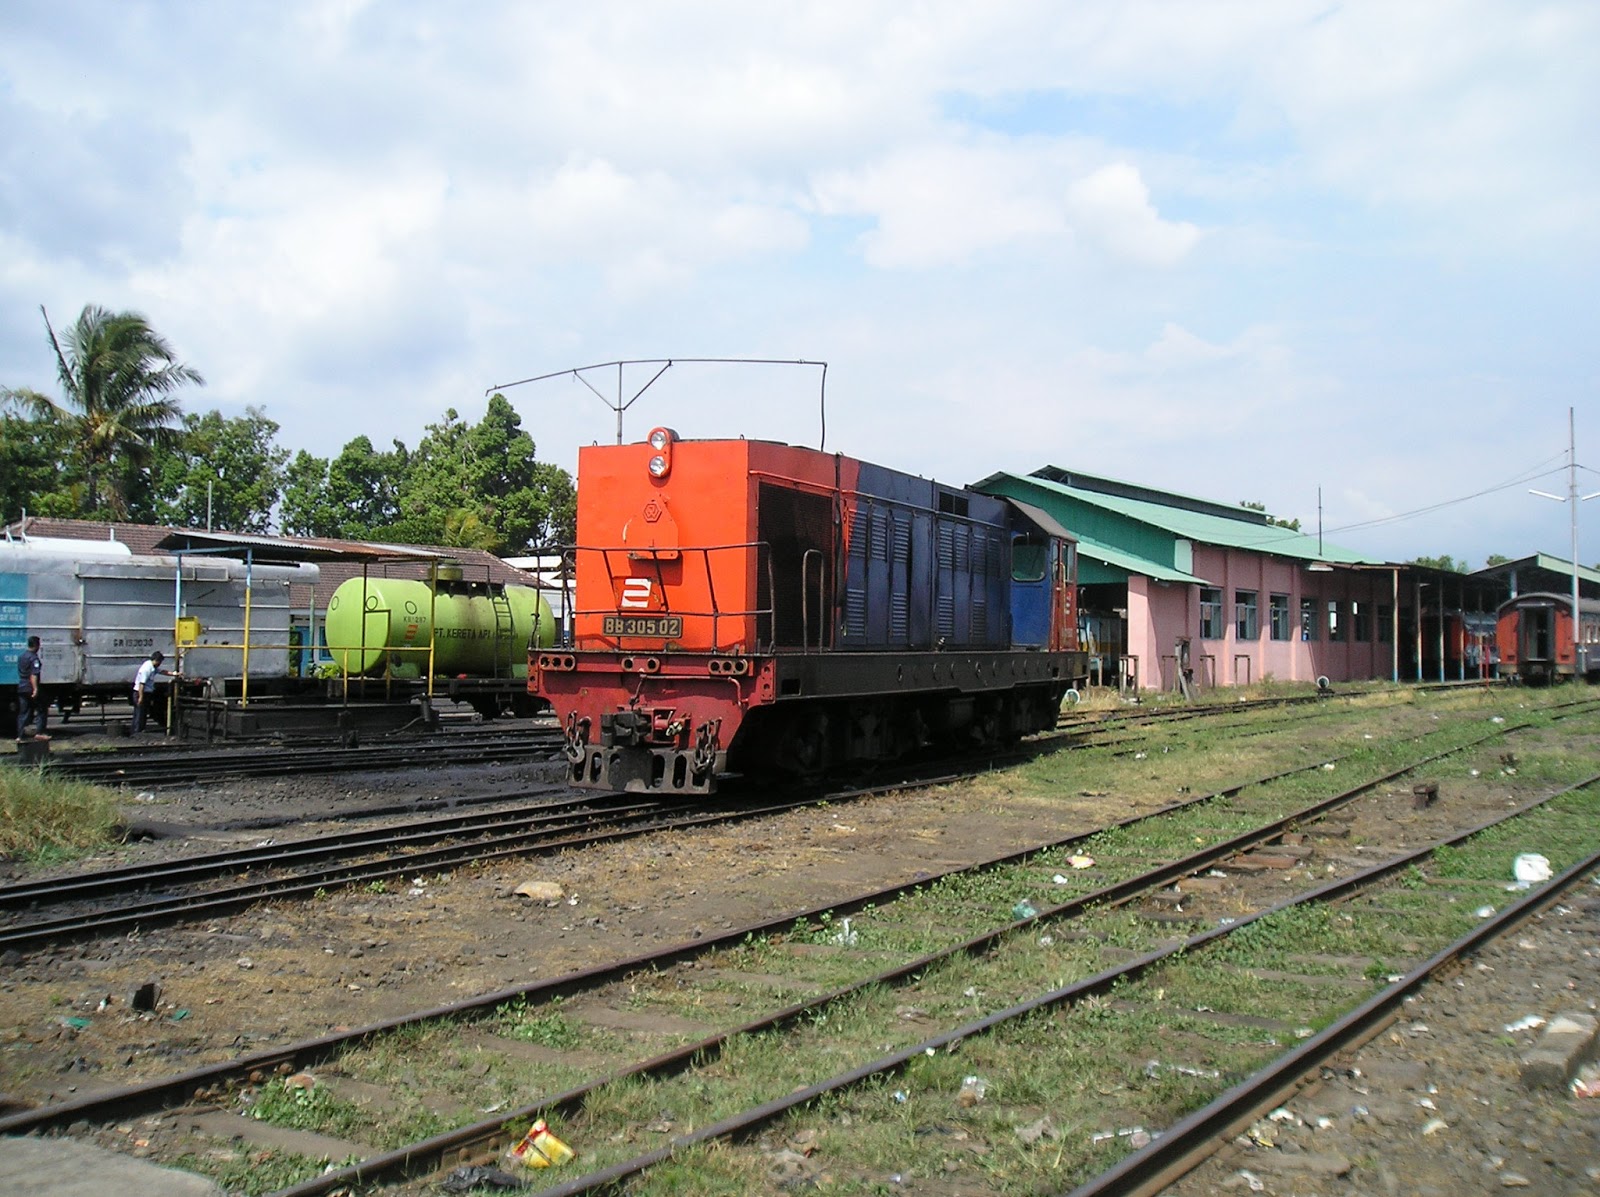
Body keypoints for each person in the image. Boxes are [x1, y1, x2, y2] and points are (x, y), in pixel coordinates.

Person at [131, 650, 178, 734]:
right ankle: (137, 732)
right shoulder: (147, 669)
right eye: (160, 662)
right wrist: (141, 697)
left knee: (142, 713)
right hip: (141, 693)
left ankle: (138, 730)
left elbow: (162, 671)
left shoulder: (152, 666)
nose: (160, 664)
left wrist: (173, 674)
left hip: (144, 693)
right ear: (157, 660)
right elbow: (141, 684)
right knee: (140, 714)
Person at [16, 635, 45, 739]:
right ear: (36, 645)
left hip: (22, 686)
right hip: (30, 687)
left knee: (23, 712)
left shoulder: (21, 656)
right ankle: (39, 733)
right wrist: (35, 688)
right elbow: (33, 675)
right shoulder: (33, 658)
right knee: (41, 710)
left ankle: (20, 735)